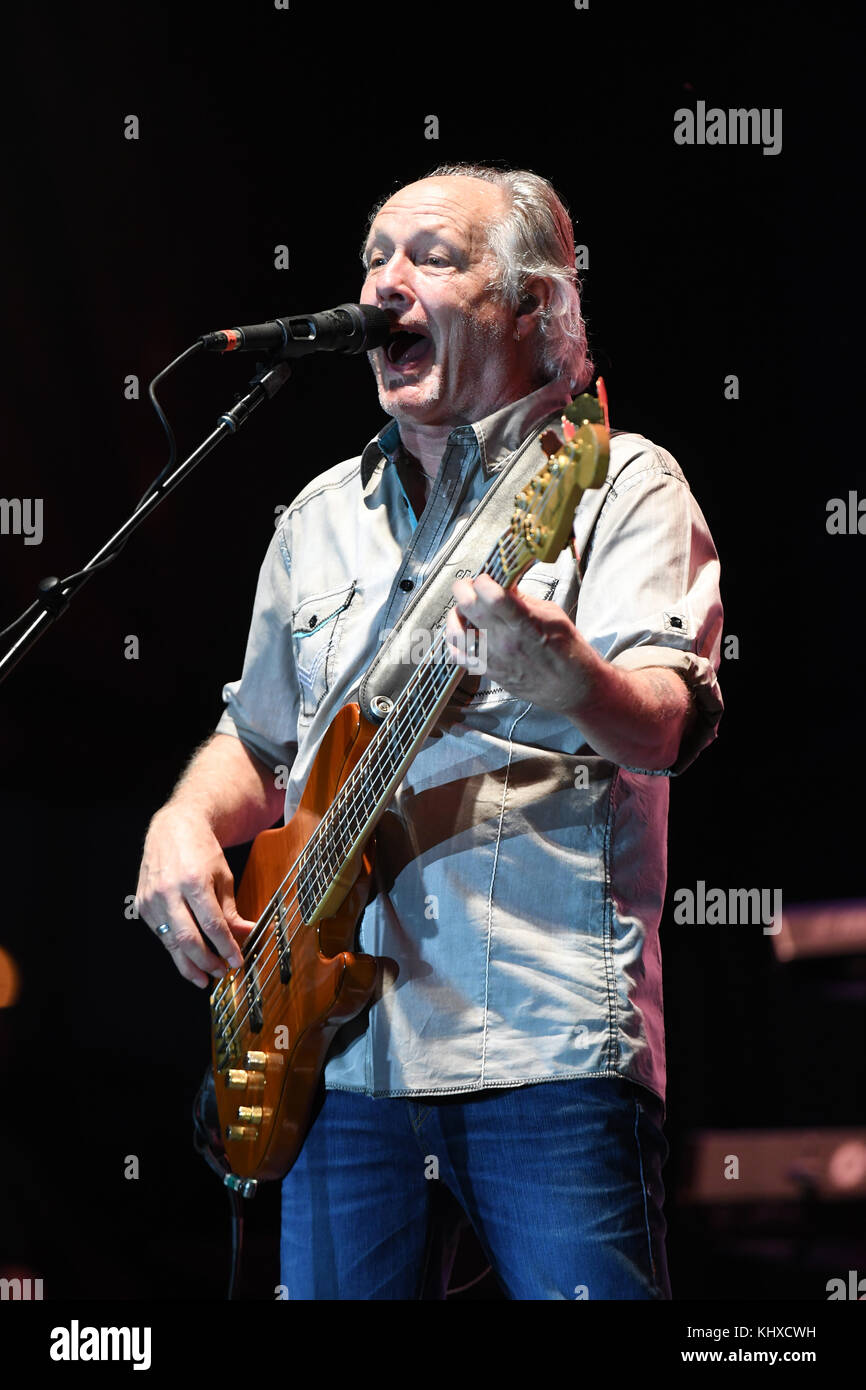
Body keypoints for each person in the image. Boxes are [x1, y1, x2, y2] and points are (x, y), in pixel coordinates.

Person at [136, 162, 724, 1300]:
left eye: (432, 257)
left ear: (530, 309)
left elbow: (663, 728)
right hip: (339, 1062)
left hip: (542, 1051)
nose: (383, 282)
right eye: (372, 256)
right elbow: (255, 745)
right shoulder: (315, 519)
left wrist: (563, 672)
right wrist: (180, 820)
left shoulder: (618, 484)